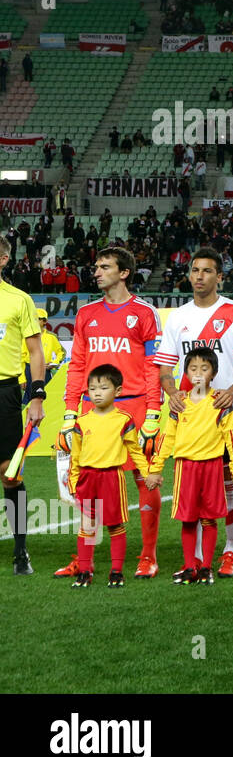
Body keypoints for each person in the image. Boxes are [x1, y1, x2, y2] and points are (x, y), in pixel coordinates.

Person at [55, 247, 162, 580]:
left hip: (134, 403)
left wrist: (154, 412)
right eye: (96, 267)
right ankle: (83, 560)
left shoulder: (144, 313)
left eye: (104, 267)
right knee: (86, 481)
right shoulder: (86, 314)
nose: (97, 272)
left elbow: (152, 365)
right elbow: (77, 366)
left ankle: (148, 555)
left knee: (144, 478)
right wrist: (71, 411)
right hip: (93, 409)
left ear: (124, 272)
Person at [154, 248, 233, 579]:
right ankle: (196, 560)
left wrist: (232, 391)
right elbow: (166, 368)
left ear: (219, 277)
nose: (199, 276)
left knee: (229, 484)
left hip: (229, 416)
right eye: (195, 270)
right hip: (191, 418)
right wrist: (171, 394)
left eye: (207, 271)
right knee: (195, 491)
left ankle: (231, 549)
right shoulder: (177, 317)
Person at [155, 347, 233, 585]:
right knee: (188, 519)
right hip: (185, 468)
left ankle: (206, 567)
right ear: (185, 373)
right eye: (193, 368)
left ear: (213, 374)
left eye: (204, 369)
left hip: (212, 467)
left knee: (208, 519)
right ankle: (190, 566)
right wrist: (156, 468)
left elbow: (232, 436)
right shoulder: (179, 403)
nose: (198, 373)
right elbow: (168, 438)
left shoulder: (219, 402)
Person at [65, 364, 151, 587]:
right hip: (87, 478)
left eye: (103, 388)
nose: (97, 393)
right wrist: (73, 481)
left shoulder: (124, 419)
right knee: (87, 525)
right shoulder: (81, 422)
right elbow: (75, 455)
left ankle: (116, 571)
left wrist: (147, 473)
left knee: (115, 525)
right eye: (92, 389)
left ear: (118, 391)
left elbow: (134, 450)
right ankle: (85, 571)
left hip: (112, 478)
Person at [0, 236, 45, 576]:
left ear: (4, 260)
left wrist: (37, 396)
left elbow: (36, 352)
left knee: (9, 472)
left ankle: (20, 552)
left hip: (5, 392)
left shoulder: (20, 300)